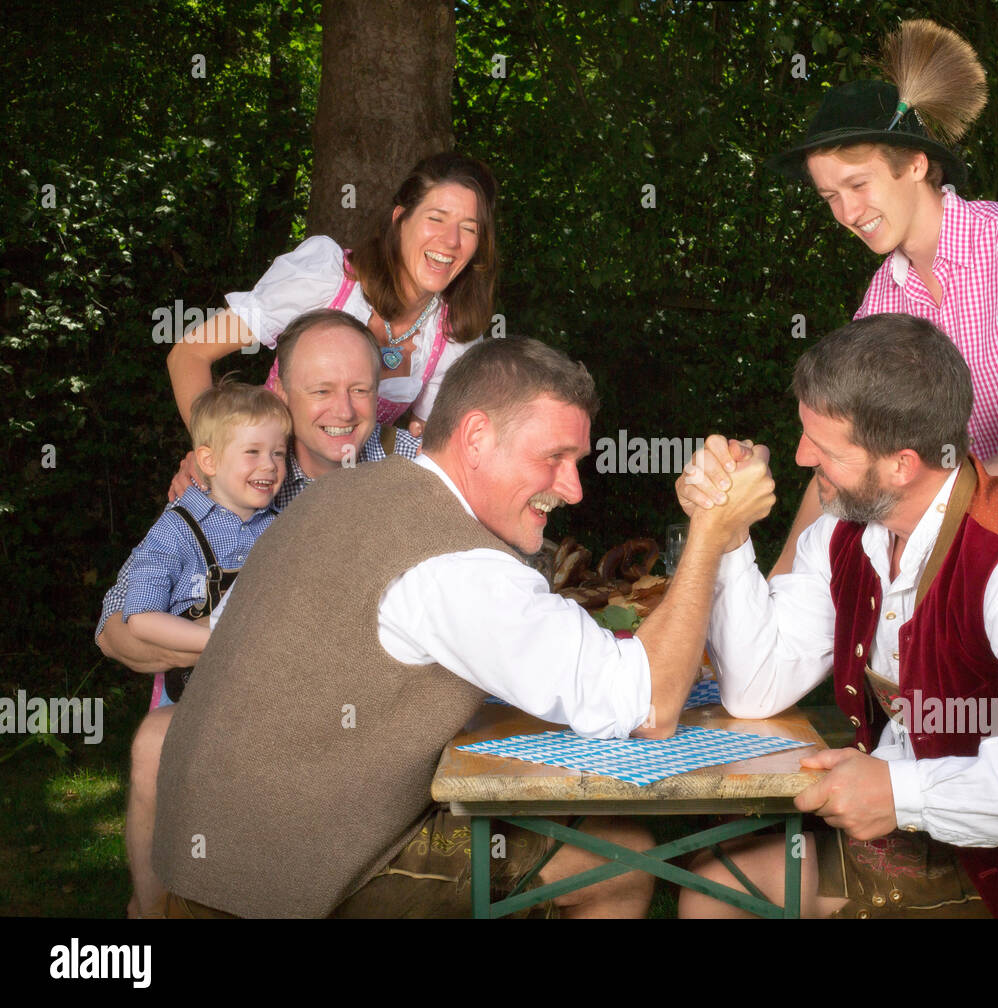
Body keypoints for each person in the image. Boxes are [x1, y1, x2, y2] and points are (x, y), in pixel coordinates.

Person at [151, 337, 776, 918]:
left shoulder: (339, 493)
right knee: (617, 857)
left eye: (576, 460)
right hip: (281, 887)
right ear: (476, 437)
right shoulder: (458, 562)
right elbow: (646, 705)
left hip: (197, 864)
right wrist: (711, 536)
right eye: (554, 457)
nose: (574, 488)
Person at [674, 315, 998, 918]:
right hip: (908, 832)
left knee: (719, 892)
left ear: (901, 464)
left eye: (824, 448)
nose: (800, 458)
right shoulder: (841, 536)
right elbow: (755, 685)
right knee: (715, 888)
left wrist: (902, 792)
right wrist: (727, 533)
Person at [765, 20, 998, 684]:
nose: (846, 212)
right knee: (963, 769)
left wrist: (955, 493)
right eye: (830, 196)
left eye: (858, 185)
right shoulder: (882, 301)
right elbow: (840, 450)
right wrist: (777, 583)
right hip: (966, 556)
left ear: (915, 163)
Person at [98, 309, 421, 918]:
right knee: (155, 743)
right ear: (283, 395)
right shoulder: (246, 477)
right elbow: (117, 625)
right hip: (259, 704)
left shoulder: (416, 466)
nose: (344, 409)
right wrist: (207, 639)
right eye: (320, 390)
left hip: (378, 708)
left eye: (359, 389)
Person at [165, 151, 496, 498]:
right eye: (436, 218)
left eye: (469, 229)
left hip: (342, 506)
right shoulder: (327, 277)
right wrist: (212, 452)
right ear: (400, 220)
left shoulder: (452, 336)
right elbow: (189, 354)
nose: (451, 241)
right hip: (251, 490)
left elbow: (431, 445)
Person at [119, 381, 290, 710]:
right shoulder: (176, 529)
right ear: (209, 462)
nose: (269, 464)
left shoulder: (284, 527)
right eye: (252, 452)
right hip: (192, 689)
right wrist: (220, 640)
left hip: (265, 685)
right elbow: (141, 618)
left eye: (278, 453)